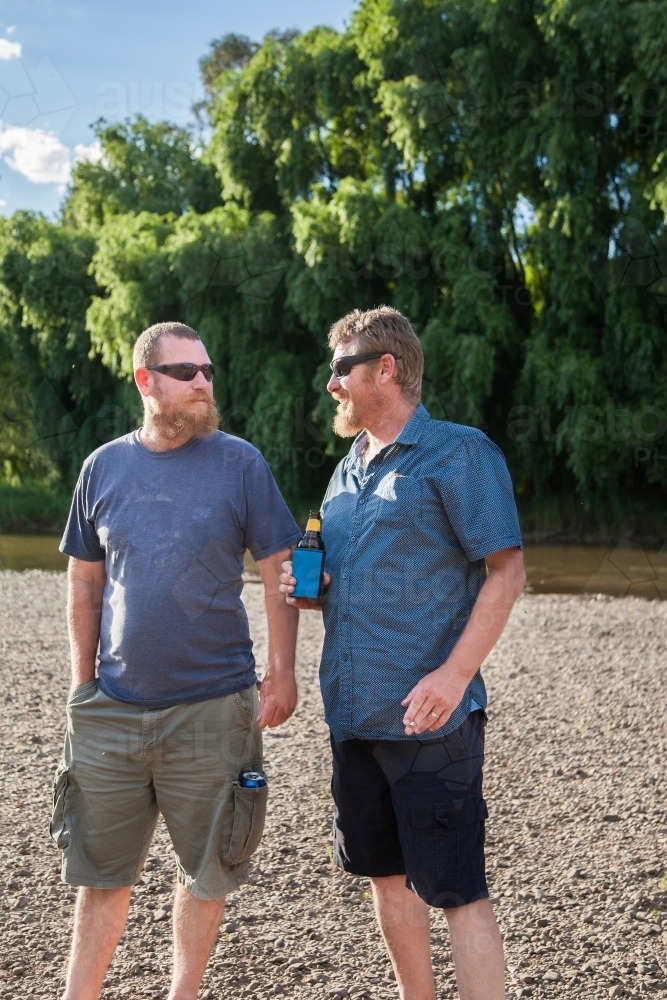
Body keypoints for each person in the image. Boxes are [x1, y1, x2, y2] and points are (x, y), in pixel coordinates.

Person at [280, 306, 525, 1000]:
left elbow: (505, 573)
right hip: (353, 716)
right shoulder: (344, 470)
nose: (331, 384)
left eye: (341, 369)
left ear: (384, 369)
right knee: (386, 878)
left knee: (456, 889)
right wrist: (313, 590)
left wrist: (453, 676)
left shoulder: (458, 452)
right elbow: (354, 579)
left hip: (431, 723)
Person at [52, 321, 302, 1000]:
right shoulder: (103, 466)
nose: (203, 384)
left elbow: (280, 563)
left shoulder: (240, 463)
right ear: (146, 381)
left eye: (208, 371)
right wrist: (82, 685)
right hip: (112, 709)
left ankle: (182, 993)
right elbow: (84, 579)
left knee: (209, 871)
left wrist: (282, 672)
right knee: (101, 876)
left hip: (213, 708)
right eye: (186, 372)